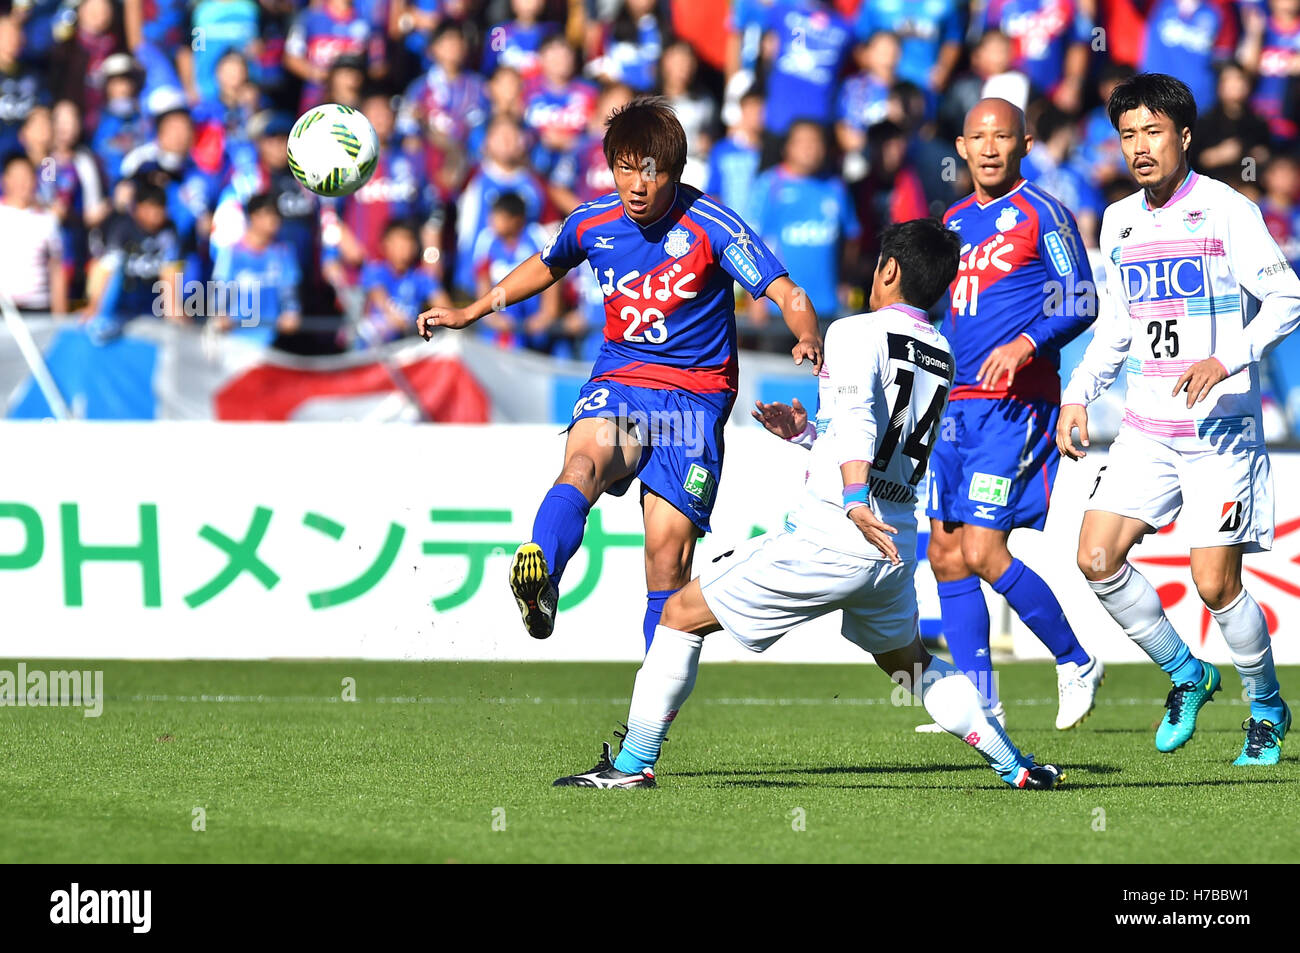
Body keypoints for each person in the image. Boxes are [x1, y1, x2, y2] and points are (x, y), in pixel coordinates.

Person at [553, 218, 1063, 791]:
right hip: (890, 542)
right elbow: (880, 439)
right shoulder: (941, 351)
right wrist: (806, 435)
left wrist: (849, 497)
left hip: (836, 532)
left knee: (677, 615)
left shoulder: (853, 332)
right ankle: (1014, 763)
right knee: (912, 665)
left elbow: (860, 422)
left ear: (888, 270)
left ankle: (630, 766)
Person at [417, 96, 822, 649]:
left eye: (649, 172)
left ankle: (643, 733)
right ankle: (543, 576)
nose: (636, 184)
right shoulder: (592, 222)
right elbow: (545, 265)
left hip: (693, 402)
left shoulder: (711, 224)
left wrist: (805, 332)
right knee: (584, 461)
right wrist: (471, 310)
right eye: (624, 168)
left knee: (666, 567)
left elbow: (786, 290)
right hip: (621, 384)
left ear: (673, 172)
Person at [1058, 72, 1300, 766]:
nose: (1138, 146)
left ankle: (1265, 705)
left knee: (1215, 583)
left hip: (1220, 431)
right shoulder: (1119, 220)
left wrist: (1228, 358)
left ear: (1185, 136)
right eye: (1127, 134)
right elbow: (1115, 325)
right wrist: (1078, 393)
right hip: (1145, 427)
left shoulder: (1227, 209)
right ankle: (1188, 673)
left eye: (1152, 131)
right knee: (1095, 558)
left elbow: (1287, 298)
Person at [921, 98, 1104, 734]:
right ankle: (983, 708)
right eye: (980, 136)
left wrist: (1025, 344)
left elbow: (1083, 300)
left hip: (1015, 406)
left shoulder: (1043, 211)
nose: (992, 146)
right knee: (946, 555)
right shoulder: (952, 219)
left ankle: (1076, 660)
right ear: (962, 147)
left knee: (981, 547)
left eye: (1004, 136)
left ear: (1024, 144)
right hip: (956, 407)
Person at [357, 219, 449, 348]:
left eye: (408, 241)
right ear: (385, 244)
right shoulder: (375, 272)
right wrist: (397, 319)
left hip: (409, 347)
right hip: (375, 348)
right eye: (399, 242)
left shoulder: (421, 278)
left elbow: (445, 308)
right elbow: (380, 299)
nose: (404, 247)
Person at [0, 153, 66, 315]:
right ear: (5, 180)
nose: (22, 183)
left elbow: (56, 269)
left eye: (26, 177)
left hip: (39, 308)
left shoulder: (48, 220)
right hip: (5, 309)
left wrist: (60, 317)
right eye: (16, 177)